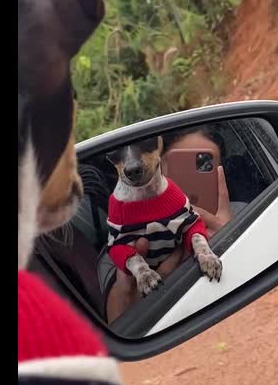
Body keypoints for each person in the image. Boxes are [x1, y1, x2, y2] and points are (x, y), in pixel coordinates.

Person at [104, 126, 245, 324]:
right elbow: (114, 322)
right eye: (180, 163)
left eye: (204, 163)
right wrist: (129, 292)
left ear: (220, 169)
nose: (133, 166)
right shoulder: (117, 222)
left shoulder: (245, 212)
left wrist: (231, 237)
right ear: (164, 161)